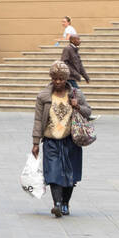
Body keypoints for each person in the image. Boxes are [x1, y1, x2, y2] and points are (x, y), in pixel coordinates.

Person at [31, 60, 93, 218]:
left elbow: (88, 112)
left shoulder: (76, 94)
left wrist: (77, 106)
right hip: (51, 140)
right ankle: (57, 204)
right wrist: (35, 142)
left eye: (61, 78)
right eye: (55, 78)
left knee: (70, 174)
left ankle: (65, 203)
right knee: (53, 172)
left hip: (71, 140)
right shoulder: (44, 96)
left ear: (66, 79)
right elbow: (38, 120)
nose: (57, 82)